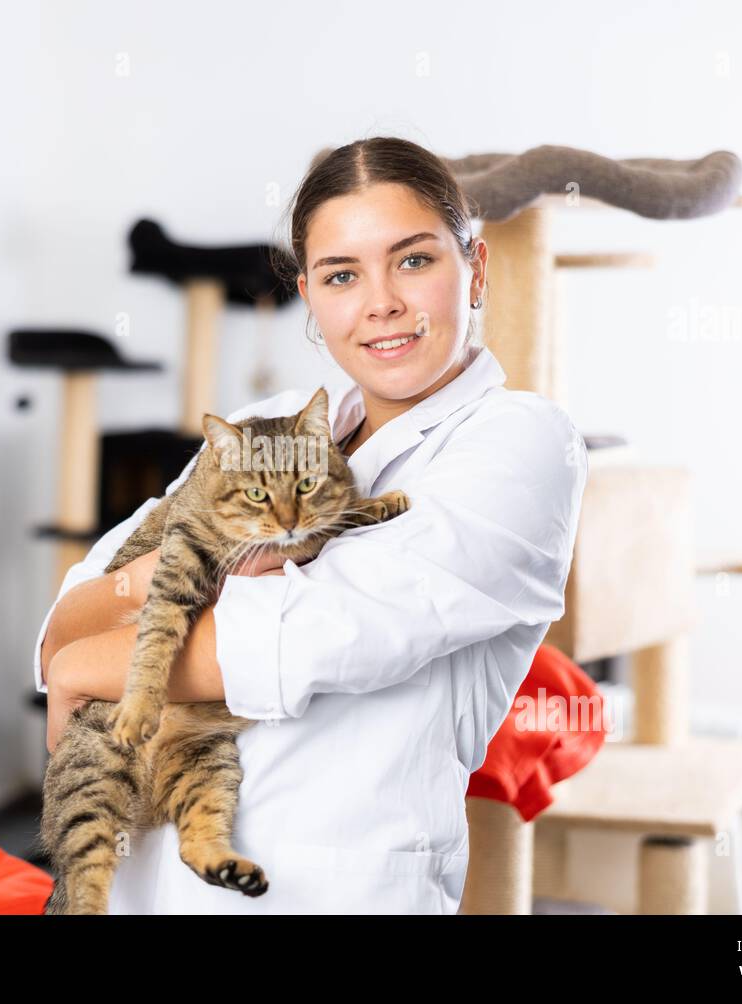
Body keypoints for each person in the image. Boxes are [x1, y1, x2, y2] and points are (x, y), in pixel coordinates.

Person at [33, 136, 588, 914]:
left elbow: (293, 641)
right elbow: (62, 630)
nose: (381, 302)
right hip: (136, 886)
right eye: (341, 275)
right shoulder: (264, 423)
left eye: (415, 260)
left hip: (327, 889)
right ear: (309, 295)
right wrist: (123, 605)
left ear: (478, 270)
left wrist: (96, 656)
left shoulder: (524, 442)